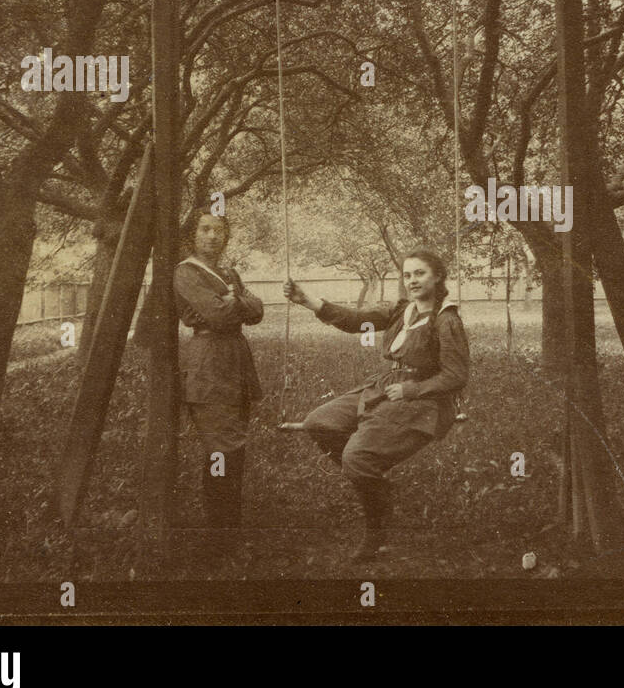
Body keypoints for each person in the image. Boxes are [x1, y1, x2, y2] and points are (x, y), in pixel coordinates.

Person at [282, 249, 469, 560]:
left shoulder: (446, 320)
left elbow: (456, 375)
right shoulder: (402, 310)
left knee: (356, 458)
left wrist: (414, 390)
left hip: (424, 403)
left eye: (420, 274)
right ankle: (374, 482)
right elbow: (357, 321)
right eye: (407, 275)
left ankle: (376, 533)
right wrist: (309, 300)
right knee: (319, 423)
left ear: (437, 276)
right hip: (385, 388)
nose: (412, 281)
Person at [173, 213, 263, 542]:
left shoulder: (229, 273)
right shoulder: (186, 272)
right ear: (192, 236)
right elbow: (218, 315)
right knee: (219, 448)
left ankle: (228, 525)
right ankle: (220, 531)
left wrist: (235, 300)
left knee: (233, 445)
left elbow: (257, 311)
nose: (212, 236)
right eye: (205, 229)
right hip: (208, 361)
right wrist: (237, 303)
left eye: (219, 230)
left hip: (235, 362)